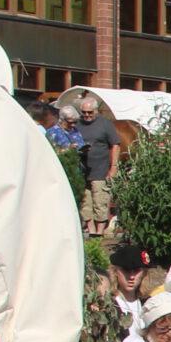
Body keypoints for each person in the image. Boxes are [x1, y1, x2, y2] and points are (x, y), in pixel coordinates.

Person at [73, 93, 120, 237]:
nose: (86, 115)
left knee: (100, 200)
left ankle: (99, 232)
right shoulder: (77, 124)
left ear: (96, 111)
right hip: (82, 169)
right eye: (84, 112)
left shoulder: (105, 124)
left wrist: (113, 167)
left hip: (100, 168)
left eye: (90, 112)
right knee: (86, 201)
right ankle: (91, 229)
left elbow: (115, 145)